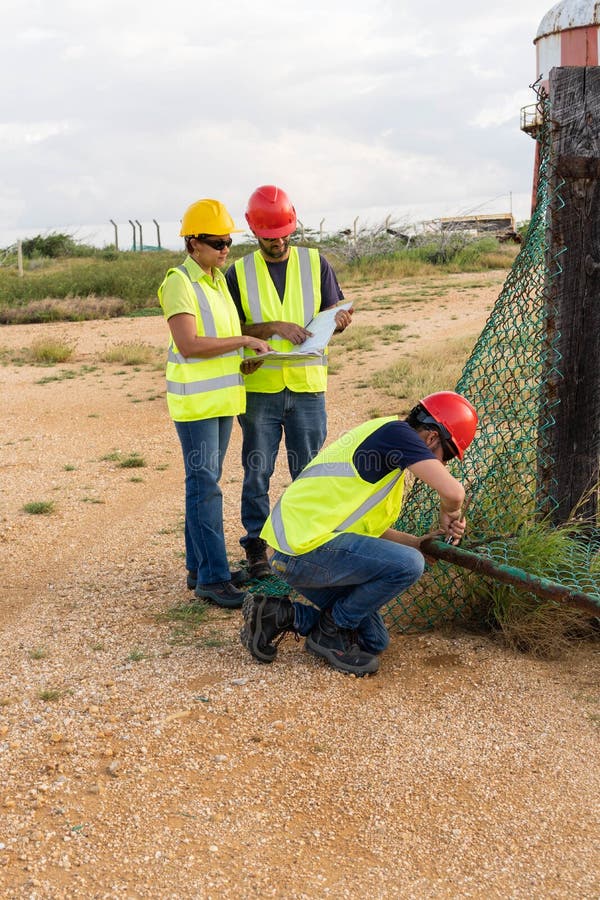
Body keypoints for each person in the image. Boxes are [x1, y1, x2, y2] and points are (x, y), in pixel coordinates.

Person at [240, 391, 478, 674]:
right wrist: (449, 514)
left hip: (302, 549)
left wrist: (417, 543)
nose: (444, 465)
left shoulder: (390, 453)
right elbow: (454, 492)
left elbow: (368, 531)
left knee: (374, 640)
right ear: (431, 437)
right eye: (447, 456)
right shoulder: (398, 435)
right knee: (409, 564)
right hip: (298, 551)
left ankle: (281, 614)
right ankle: (332, 629)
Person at [225, 184, 353, 580]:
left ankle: (304, 545)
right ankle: (256, 549)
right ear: (254, 232)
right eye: (268, 237)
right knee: (257, 471)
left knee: (309, 472)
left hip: (307, 388)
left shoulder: (317, 264)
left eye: (283, 234)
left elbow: (332, 314)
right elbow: (230, 329)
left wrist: (340, 321)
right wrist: (273, 326)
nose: (278, 242)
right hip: (260, 388)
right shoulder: (238, 272)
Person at [158, 199, 270, 609]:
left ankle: (198, 568)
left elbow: (218, 339)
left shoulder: (217, 279)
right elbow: (189, 344)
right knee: (204, 489)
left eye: (227, 241)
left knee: (205, 485)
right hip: (196, 406)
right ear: (192, 243)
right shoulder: (179, 283)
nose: (225, 249)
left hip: (222, 400)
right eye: (216, 242)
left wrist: (244, 360)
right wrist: (242, 340)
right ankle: (213, 578)